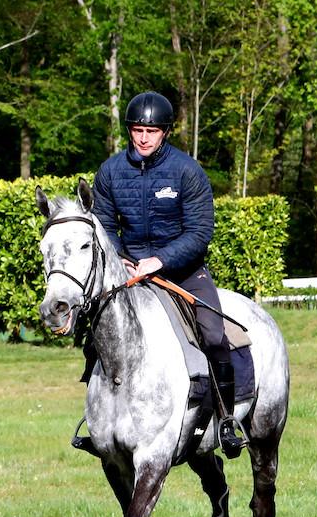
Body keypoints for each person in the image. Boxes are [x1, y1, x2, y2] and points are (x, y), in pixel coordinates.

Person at [91, 91, 246, 457]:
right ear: (129, 131)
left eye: (151, 131)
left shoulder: (187, 172)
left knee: (213, 333)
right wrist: (120, 258)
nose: (143, 138)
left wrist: (159, 261)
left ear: (165, 132)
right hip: (129, 274)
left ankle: (225, 421)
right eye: (137, 130)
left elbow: (199, 232)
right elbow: (103, 226)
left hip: (183, 271)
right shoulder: (110, 173)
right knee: (96, 333)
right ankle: (98, 422)